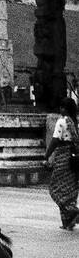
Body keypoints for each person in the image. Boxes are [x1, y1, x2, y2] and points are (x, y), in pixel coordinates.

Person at [46, 96, 79, 229]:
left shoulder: (62, 122)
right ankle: (67, 222)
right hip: (74, 159)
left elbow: (55, 140)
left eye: (61, 107)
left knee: (55, 188)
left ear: (64, 109)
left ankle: (74, 212)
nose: (60, 110)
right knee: (70, 188)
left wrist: (47, 154)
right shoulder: (75, 122)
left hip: (63, 157)